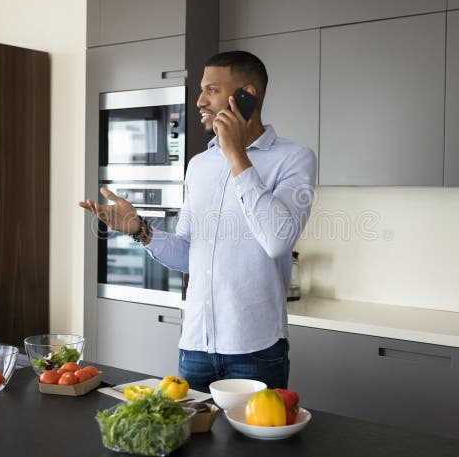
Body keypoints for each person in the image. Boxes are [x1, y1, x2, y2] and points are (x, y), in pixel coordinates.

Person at [80, 51, 317, 389]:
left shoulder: (294, 159)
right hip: (194, 349)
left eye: (211, 90)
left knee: (252, 443)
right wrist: (140, 231)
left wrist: (235, 153)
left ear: (247, 95)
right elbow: (188, 253)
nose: (199, 101)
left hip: (256, 351)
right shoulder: (199, 165)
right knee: (189, 440)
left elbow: (278, 239)